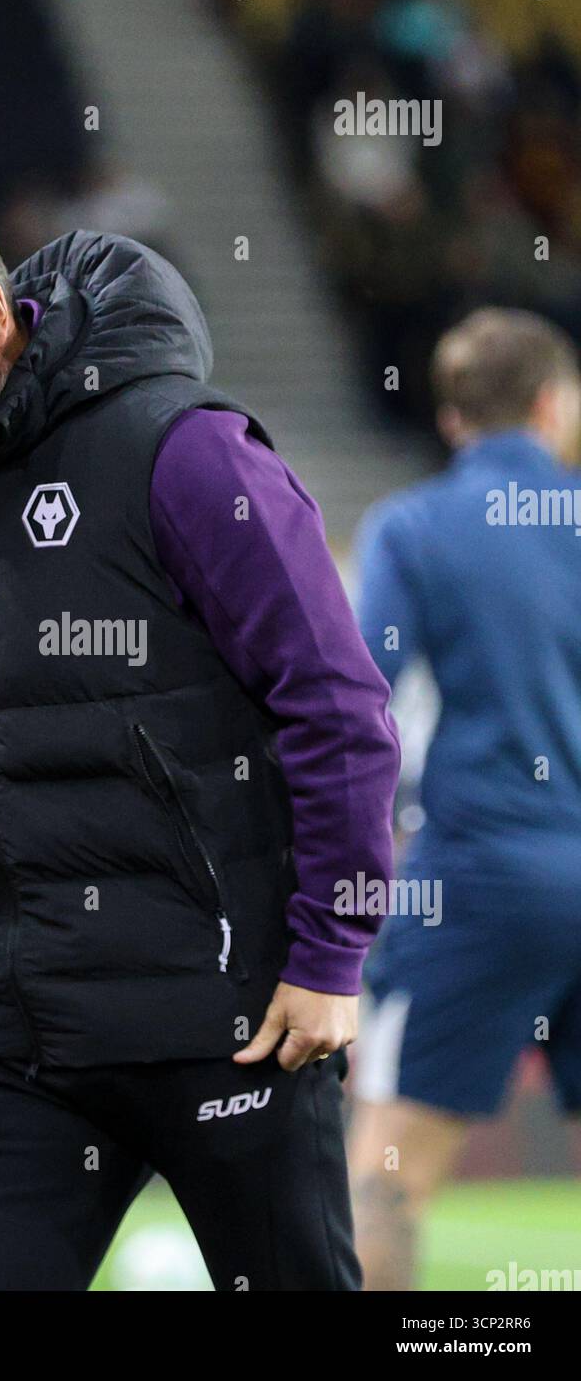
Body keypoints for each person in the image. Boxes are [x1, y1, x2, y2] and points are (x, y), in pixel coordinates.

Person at [0, 181, 400, 1292]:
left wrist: (331, 953)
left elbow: (340, 706)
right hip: (17, 1054)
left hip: (234, 1027)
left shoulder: (188, 452)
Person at [349, 308, 581, 1290]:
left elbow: (359, 697)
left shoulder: (413, 526)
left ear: (450, 419)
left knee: (386, 1170)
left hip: (486, 869)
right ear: (551, 402)